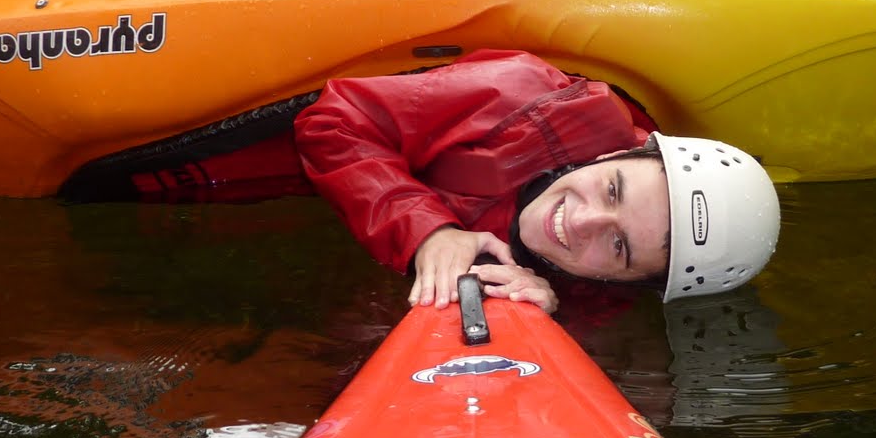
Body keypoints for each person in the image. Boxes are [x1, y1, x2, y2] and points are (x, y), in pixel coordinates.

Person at [291, 49, 781, 314]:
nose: (583, 220)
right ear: (616, 153)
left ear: (629, 282)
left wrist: (549, 310)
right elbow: (332, 122)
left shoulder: (599, 294)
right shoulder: (514, 92)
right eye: (613, 189)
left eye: (618, 247)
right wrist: (428, 232)